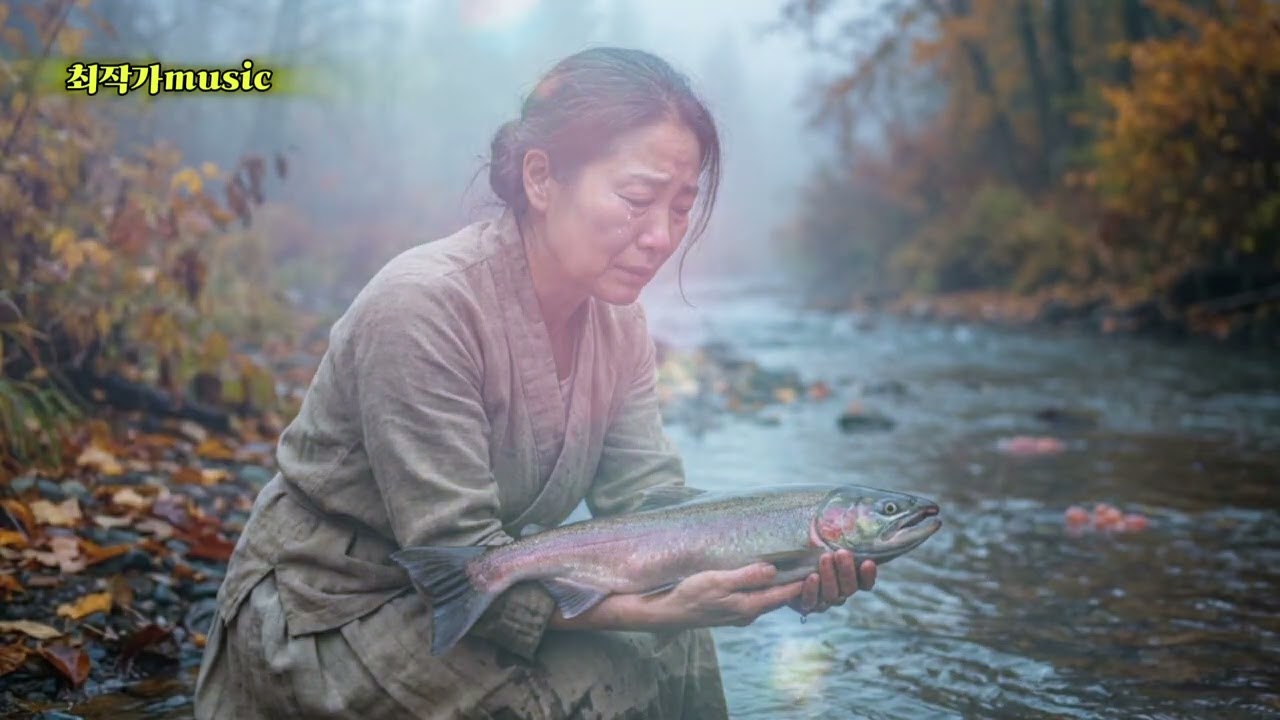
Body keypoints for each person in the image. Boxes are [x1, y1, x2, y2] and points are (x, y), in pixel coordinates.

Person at [193, 46, 877, 720]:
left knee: (681, 639)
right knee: (606, 678)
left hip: (476, 579)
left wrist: (775, 570)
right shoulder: (425, 306)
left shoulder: (621, 322)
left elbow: (651, 502)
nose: (663, 235)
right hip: (336, 611)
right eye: (639, 198)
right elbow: (462, 562)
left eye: (681, 207)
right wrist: (640, 608)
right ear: (542, 178)